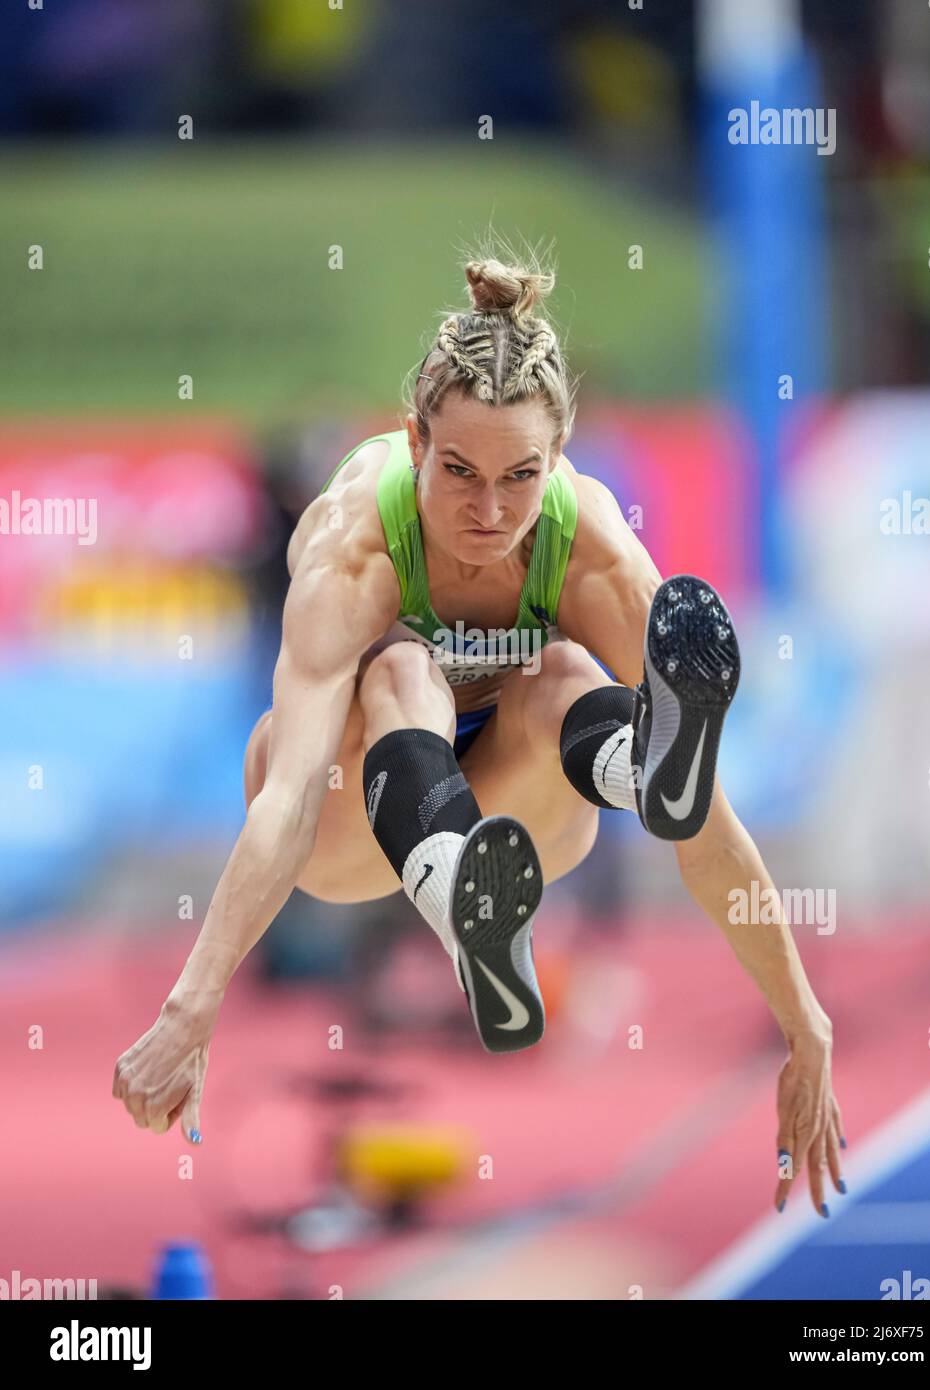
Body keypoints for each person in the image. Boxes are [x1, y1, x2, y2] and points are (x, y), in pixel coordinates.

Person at [113, 244, 845, 1217]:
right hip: (345, 829)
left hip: (527, 816)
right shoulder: (353, 549)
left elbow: (704, 821)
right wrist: (189, 1004)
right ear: (412, 443)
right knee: (403, 668)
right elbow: (286, 801)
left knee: (565, 671)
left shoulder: (584, 544)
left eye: (519, 477)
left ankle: (631, 763)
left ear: (558, 462)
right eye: (458, 471)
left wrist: (805, 1026)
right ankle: (459, 884)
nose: (489, 511)